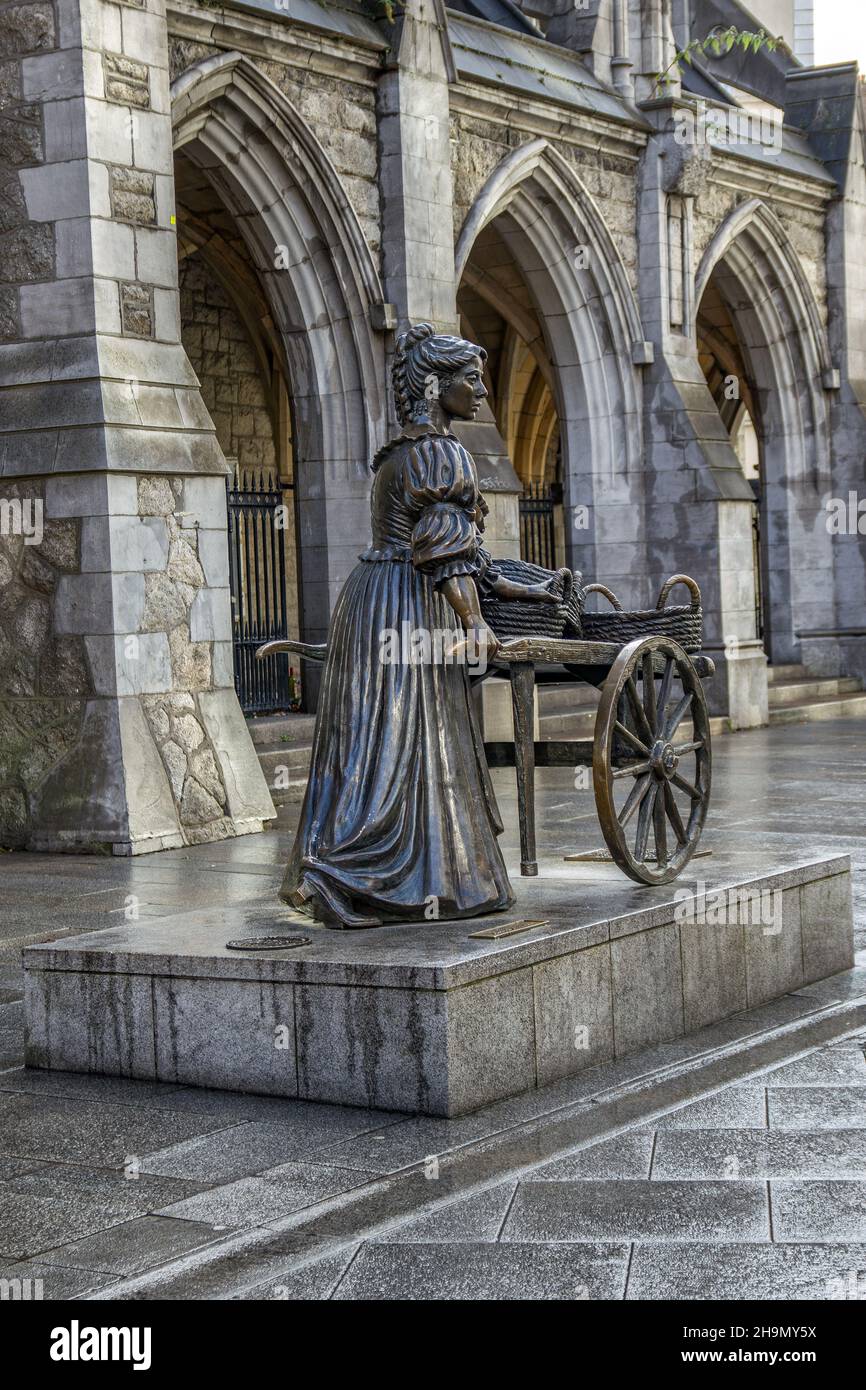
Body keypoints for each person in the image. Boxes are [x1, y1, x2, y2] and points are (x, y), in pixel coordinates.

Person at [280, 323, 520, 928]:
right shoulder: (441, 454)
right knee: (402, 740)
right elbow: (444, 549)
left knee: (373, 736)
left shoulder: (398, 454)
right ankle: (369, 873)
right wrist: (473, 622)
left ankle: (337, 870)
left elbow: (467, 555)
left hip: (373, 598)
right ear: (437, 386)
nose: (482, 393)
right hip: (410, 601)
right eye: (472, 381)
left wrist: (515, 586)